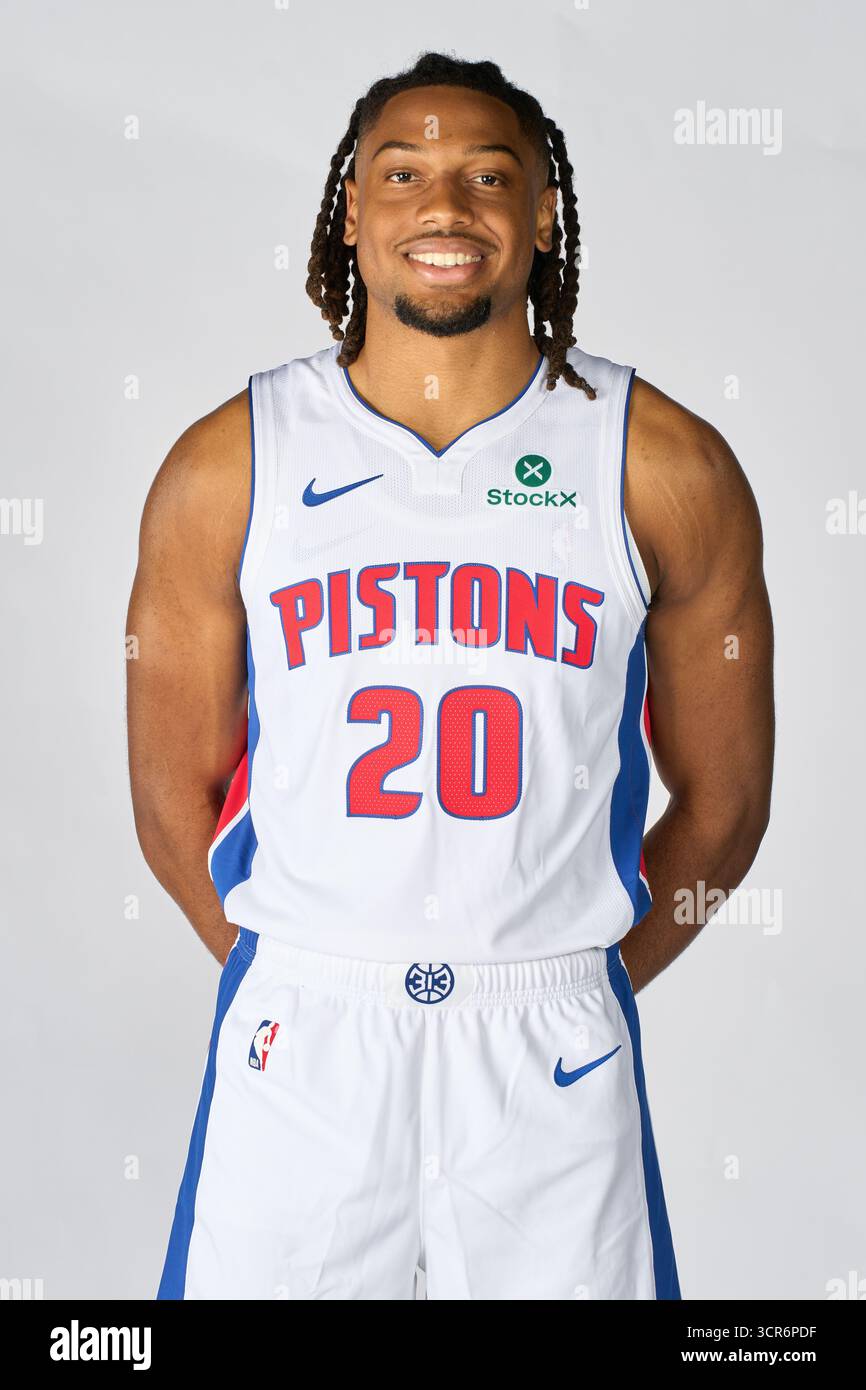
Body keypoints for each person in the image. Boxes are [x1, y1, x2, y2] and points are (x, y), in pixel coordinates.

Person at [126, 51, 774, 1301]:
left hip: (548, 1035)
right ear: (351, 210)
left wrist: (580, 978)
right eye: (403, 173)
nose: (445, 207)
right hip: (305, 1028)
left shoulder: (660, 462)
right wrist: (297, 968)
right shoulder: (228, 463)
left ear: (542, 213)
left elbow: (727, 807)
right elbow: (170, 801)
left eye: (489, 176)